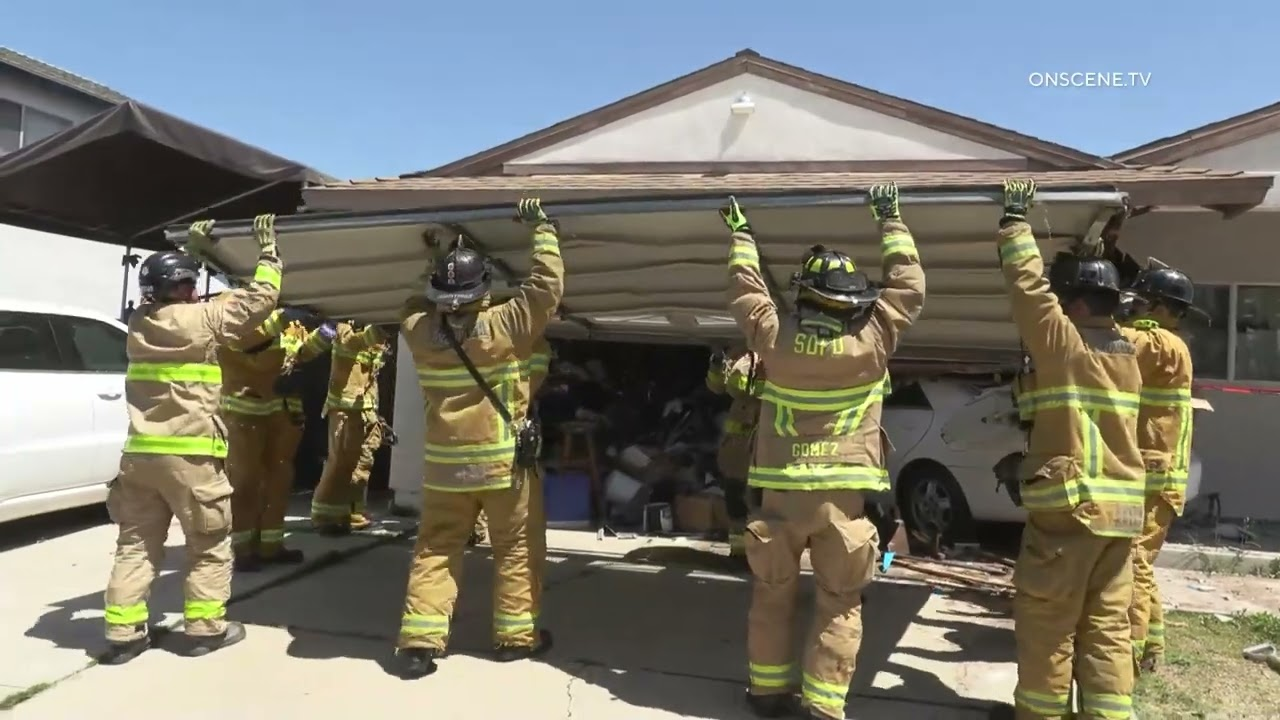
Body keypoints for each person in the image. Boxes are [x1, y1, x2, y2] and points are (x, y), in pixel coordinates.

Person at [724, 184, 925, 720]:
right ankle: (824, 706)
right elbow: (909, 285)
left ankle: (767, 695)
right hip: (845, 501)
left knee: (772, 596)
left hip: (779, 499)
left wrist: (741, 235)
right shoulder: (873, 341)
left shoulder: (773, 339)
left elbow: (747, 293)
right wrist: (891, 218)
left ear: (804, 295)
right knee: (840, 602)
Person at [393, 198, 564, 679]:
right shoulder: (503, 325)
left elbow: (412, 302)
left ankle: (419, 644)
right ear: (483, 289)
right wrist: (542, 230)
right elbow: (545, 289)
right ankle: (515, 638)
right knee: (515, 548)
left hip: (446, 469)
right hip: (501, 467)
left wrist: (433, 260)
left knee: (436, 547)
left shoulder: (418, 330)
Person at [101, 214, 282, 665]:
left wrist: (196, 258)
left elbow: (180, 299)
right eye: (188, 282)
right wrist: (268, 253)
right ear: (181, 287)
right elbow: (261, 299)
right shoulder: (202, 320)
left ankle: (123, 635)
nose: (194, 290)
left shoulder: (139, 323)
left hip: (140, 460)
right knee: (208, 545)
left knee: (136, 546)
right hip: (192, 456)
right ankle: (204, 630)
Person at [995, 179, 1145, 720]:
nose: (1057, 305)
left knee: (1048, 623)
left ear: (1076, 303)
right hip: (1122, 515)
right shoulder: (1128, 353)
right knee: (1106, 628)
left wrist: (1014, 219)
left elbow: (1028, 291)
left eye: (1065, 299)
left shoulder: (1065, 345)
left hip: (1070, 512)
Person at [1116, 257, 1197, 675]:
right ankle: (1152, 651)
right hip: (1156, 476)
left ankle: (1126, 657)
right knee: (1141, 562)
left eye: (1147, 301)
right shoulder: (1168, 344)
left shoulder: (1158, 344)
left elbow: (1111, 349)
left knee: (1132, 562)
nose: (1139, 306)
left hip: (1152, 477)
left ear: (1165, 308)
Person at [219, 307, 336, 570]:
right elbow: (242, 342)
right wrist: (278, 319)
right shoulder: (240, 314)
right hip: (246, 411)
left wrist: (328, 331)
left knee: (279, 479)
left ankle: (270, 546)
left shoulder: (291, 320)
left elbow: (302, 352)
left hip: (282, 411)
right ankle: (240, 550)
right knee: (245, 481)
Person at [310, 320, 390, 534]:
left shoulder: (371, 332)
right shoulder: (342, 327)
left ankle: (351, 513)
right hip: (345, 409)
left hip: (366, 410)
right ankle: (323, 516)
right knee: (340, 463)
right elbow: (349, 342)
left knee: (362, 463)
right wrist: (374, 333)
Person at [705, 345, 764, 555]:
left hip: (765, 445)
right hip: (737, 449)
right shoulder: (738, 352)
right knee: (736, 502)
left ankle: (762, 554)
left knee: (762, 504)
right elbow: (717, 386)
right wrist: (717, 363)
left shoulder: (780, 352)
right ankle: (739, 553)